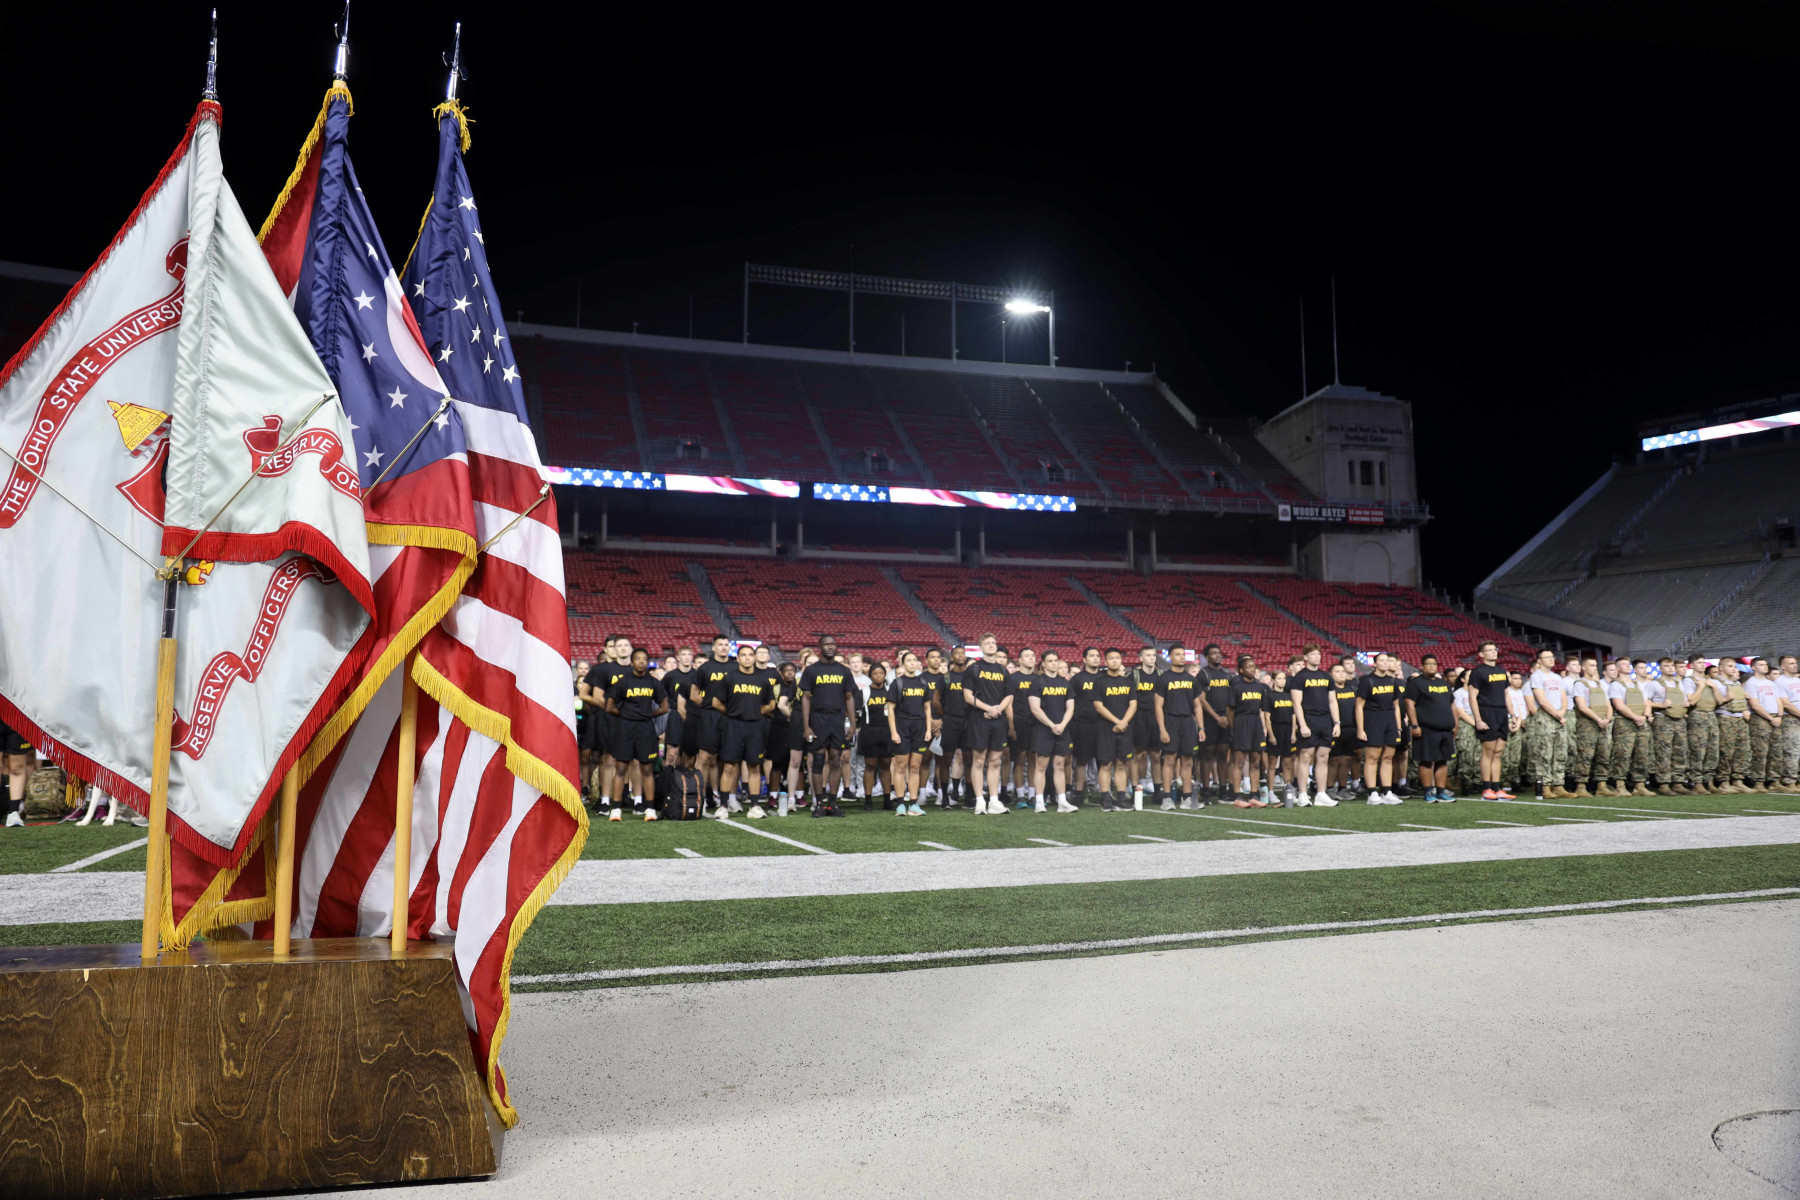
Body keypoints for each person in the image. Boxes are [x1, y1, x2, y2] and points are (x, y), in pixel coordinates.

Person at [715, 642, 778, 819]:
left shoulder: (763, 680)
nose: (748, 658)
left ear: (755, 657)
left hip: (755, 726)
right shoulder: (729, 678)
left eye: (751, 655)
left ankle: (755, 806)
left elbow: (771, 704)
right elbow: (716, 702)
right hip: (733, 726)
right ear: (738, 658)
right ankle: (723, 806)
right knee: (729, 766)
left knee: (754, 766)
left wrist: (757, 712)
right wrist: (733, 713)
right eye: (744, 655)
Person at [604, 647, 665, 821]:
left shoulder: (654, 683)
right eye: (637, 658)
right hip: (625, 728)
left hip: (646, 729)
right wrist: (625, 716)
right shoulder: (623, 682)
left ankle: (650, 809)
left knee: (647, 769)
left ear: (647, 662)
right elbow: (609, 706)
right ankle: (616, 809)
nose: (641, 661)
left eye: (644, 659)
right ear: (632, 662)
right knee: (621, 767)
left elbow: (665, 706)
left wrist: (647, 716)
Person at [800, 635, 856, 817]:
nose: (830, 647)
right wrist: (806, 725)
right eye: (827, 644)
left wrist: (853, 724)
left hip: (837, 719)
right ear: (820, 647)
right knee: (818, 760)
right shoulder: (811, 670)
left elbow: (849, 698)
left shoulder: (844, 671)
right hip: (818, 718)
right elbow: (806, 698)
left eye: (833, 644)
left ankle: (833, 803)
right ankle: (819, 803)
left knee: (835, 759)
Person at [964, 635, 1014, 814]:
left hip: (998, 720)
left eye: (993, 643)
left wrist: (998, 709)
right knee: (978, 760)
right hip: (979, 719)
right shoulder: (974, 669)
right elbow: (968, 697)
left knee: (995, 761)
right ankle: (979, 801)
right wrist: (989, 709)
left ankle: (993, 801)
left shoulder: (1003, 670)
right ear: (981, 647)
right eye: (987, 643)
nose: (991, 645)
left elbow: (1009, 695)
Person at [1028, 651, 1078, 813]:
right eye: (1050, 661)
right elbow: (1034, 708)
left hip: (1062, 729)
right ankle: (1040, 802)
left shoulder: (1065, 683)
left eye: (1056, 660)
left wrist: (1062, 724)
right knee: (1041, 766)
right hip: (1043, 729)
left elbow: (1070, 707)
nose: (1054, 663)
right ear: (1043, 664)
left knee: (1059, 765)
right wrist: (1051, 725)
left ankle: (1062, 801)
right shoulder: (1037, 682)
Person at [688, 636, 735, 809]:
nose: (723, 648)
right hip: (710, 716)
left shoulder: (735, 666)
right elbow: (694, 694)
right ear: (713, 648)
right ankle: (699, 796)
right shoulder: (705, 668)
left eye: (726, 645)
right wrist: (708, 706)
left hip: (731, 717)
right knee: (704, 757)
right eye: (720, 645)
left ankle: (729, 797)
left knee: (730, 758)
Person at [1153, 646, 1202, 809]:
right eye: (1177, 655)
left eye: (1183, 655)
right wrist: (1162, 729)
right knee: (1169, 759)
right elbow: (1158, 706)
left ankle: (1187, 798)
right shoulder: (1163, 679)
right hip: (1170, 720)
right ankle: (1167, 798)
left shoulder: (1192, 680)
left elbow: (1197, 706)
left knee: (1188, 760)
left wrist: (1201, 727)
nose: (1181, 657)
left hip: (1188, 722)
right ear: (1170, 658)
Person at [1404, 654, 1457, 802]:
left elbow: (1452, 704)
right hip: (1426, 728)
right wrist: (1414, 725)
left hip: (1445, 729)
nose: (1432, 666)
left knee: (1443, 761)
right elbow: (1409, 704)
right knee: (1426, 761)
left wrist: (1455, 724)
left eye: (1434, 664)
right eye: (1428, 664)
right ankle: (1428, 791)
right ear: (1422, 666)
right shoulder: (1416, 683)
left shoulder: (1444, 684)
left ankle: (1441, 791)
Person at [1289, 645, 1336, 807]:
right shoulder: (1300, 677)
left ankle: (1321, 794)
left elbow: (1332, 701)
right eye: (1313, 654)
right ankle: (1302, 794)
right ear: (1306, 658)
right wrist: (1302, 725)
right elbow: (1297, 703)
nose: (1317, 657)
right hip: (1309, 718)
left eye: (1318, 654)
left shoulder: (1326, 676)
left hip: (1325, 720)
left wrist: (1336, 722)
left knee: (1323, 757)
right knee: (1305, 756)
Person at [887, 651, 934, 816]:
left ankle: (913, 804)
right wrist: (893, 732)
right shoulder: (897, 683)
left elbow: (927, 708)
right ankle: (900, 804)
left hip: (919, 727)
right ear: (902, 664)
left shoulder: (923, 683)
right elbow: (890, 710)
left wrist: (928, 730)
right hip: (902, 727)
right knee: (900, 767)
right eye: (909, 660)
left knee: (915, 767)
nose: (912, 663)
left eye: (915, 660)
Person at [1464, 641, 1513, 800]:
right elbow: (1472, 697)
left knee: (1498, 752)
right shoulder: (1477, 672)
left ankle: (1497, 788)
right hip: (1487, 711)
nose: (1494, 652)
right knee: (1488, 750)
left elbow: (1506, 695)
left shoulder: (1502, 671)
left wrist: (1513, 715)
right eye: (1489, 650)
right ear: (1481, 654)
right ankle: (1486, 788)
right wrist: (1478, 719)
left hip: (1501, 712)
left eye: (1495, 649)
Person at [1092, 648, 1138, 811]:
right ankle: (1106, 798)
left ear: (1121, 661)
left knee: (1121, 764)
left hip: (1125, 728)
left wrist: (1124, 722)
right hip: (1106, 728)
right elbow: (1098, 706)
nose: (1114, 661)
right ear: (1106, 661)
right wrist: (1117, 721)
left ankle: (1121, 797)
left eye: (1117, 658)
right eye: (1111, 658)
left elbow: (1133, 704)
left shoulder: (1127, 682)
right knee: (1105, 764)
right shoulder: (1099, 682)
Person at [1224, 655, 1272, 807]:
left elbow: (1263, 710)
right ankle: (1237, 796)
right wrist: (1233, 729)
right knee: (1239, 761)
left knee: (1256, 761)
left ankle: (1253, 795)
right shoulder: (1236, 687)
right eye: (1248, 667)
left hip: (1255, 723)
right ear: (1241, 670)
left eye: (1253, 667)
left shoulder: (1260, 687)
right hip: (1241, 722)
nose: (1252, 669)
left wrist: (1263, 727)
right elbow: (1229, 711)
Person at [1355, 652, 1403, 804]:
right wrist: (1361, 729)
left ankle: (1387, 792)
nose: (1385, 663)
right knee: (1372, 757)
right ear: (1374, 664)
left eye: (1387, 661)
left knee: (1388, 757)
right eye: (1381, 661)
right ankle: (1372, 793)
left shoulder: (1392, 681)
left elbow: (1396, 706)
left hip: (1390, 721)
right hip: (1373, 720)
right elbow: (1359, 707)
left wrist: (1398, 728)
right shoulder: (1367, 681)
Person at [1605, 656, 1652, 797]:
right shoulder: (1616, 685)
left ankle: (1639, 784)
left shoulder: (1638, 685)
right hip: (1625, 723)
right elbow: (1618, 705)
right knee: (1623, 754)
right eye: (1623, 665)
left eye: (1628, 664)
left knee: (1642, 754)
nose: (1627, 666)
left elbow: (1647, 702)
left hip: (1641, 722)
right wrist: (1635, 717)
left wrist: (1644, 716)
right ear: (1618, 668)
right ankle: (1620, 784)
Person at [1569, 657, 1613, 797]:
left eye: (1595, 665)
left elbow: (1608, 704)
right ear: (1584, 667)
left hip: (1602, 723)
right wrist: (1598, 719)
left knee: (1603, 754)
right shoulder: (1580, 684)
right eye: (1591, 665)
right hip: (1587, 723)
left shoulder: (1599, 684)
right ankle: (1581, 786)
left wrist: (1607, 718)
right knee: (1585, 755)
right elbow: (1582, 706)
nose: (1595, 668)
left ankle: (1601, 785)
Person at [1648, 656, 1691, 796]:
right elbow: (1647, 702)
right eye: (1666, 666)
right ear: (1660, 669)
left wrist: (1686, 704)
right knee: (1663, 752)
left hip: (1679, 720)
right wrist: (1660, 705)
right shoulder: (1655, 684)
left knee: (1680, 751)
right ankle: (1664, 783)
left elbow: (1684, 699)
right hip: (1663, 720)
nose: (1671, 668)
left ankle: (1678, 782)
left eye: (1672, 665)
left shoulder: (1679, 683)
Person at [856, 661, 895, 808]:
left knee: (886, 765)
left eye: (881, 673)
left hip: (887, 731)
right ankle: (868, 799)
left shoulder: (890, 690)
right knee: (870, 766)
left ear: (885, 675)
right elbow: (856, 712)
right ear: (870, 675)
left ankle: (887, 799)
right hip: (870, 731)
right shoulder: (864, 692)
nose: (878, 676)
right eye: (875, 673)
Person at [1198, 643, 1234, 805]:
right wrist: (1216, 717)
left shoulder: (1227, 675)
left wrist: (1226, 718)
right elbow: (1201, 700)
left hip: (1225, 719)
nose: (1218, 655)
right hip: (1210, 719)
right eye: (1214, 653)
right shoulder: (1203, 674)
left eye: (1219, 653)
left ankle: (1223, 790)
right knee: (1207, 755)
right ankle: (1205, 791)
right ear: (1207, 657)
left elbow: (1230, 700)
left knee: (1222, 754)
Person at [937, 645, 972, 808]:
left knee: (969, 760)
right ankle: (945, 797)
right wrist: (946, 715)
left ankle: (969, 797)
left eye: (963, 653)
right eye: (957, 653)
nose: (961, 655)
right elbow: (935, 701)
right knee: (946, 760)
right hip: (951, 721)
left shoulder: (971, 676)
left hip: (968, 722)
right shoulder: (945, 677)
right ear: (952, 657)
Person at [1070, 647, 1106, 806]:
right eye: (1091, 656)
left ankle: (1104, 792)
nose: (1095, 658)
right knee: (1081, 760)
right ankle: (1078, 793)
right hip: (1082, 724)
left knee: (1103, 759)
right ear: (1084, 660)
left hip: (1102, 723)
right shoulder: (1077, 679)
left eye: (1097, 656)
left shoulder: (1105, 678)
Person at [1743, 657, 1783, 794]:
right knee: (1760, 751)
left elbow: (1778, 701)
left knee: (1776, 751)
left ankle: (1774, 780)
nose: (1765, 667)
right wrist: (1770, 718)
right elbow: (1755, 704)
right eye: (1761, 665)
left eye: (1766, 665)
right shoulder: (1751, 683)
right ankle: (1759, 781)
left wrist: (1779, 716)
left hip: (1774, 717)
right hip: (1760, 718)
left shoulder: (1771, 683)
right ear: (1753, 667)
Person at [1010, 647, 1042, 809]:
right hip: (1019, 721)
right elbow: (1009, 703)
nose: (1031, 658)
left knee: (1033, 758)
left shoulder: (1040, 679)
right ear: (1019, 660)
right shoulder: (1013, 678)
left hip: (1036, 723)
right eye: (1027, 656)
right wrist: (1011, 726)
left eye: (1033, 655)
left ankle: (1032, 795)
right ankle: (1020, 794)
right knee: (1020, 758)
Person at [769, 660, 802, 814]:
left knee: (796, 763)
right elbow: (772, 707)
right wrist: (791, 717)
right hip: (779, 727)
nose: (790, 673)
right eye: (786, 670)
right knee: (777, 762)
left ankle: (797, 795)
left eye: (792, 670)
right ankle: (773, 796)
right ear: (780, 673)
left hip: (795, 728)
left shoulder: (799, 687)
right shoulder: (775, 688)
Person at [1687, 658, 1723, 794]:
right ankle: (1696, 782)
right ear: (1692, 665)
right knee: (1698, 750)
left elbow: (1720, 701)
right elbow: (1691, 701)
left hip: (1711, 715)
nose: (1702, 665)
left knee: (1712, 750)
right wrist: (1701, 687)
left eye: (1703, 663)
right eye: (1699, 663)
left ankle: (1709, 781)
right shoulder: (1689, 681)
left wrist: (1713, 687)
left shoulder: (1711, 681)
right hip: (1698, 715)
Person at [1716, 660, 1753, 793]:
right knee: (1726, 751)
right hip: (1726, 718)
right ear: (1721, 668)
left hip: (1739, 718)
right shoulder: (1717, 682)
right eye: (1730, 666)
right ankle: (1724, 781)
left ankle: (1738, 780)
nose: (1733, 669)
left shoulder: (1736, 683)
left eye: (1734, 667)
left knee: (1742, 750)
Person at [1132, 646, 1162, 808]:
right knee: (1140, 754)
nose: (1152, 658)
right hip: (1139, 718)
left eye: (1153, 655)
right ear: (1141, 658)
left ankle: (1158, 789)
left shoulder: (1161, 676)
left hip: (1156, 718)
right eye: (1148, 655)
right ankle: (1140, 787)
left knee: (1156, 755)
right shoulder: (1135, 676)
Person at [1268, 664, 1299, 804]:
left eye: (1283, 679)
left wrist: (1293, 732)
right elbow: (1267, 717)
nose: (1282, 681)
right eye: (1279, 679)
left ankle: (1289, 788)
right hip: (1276, 728)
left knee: (1288, 762)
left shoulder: (1288, 696)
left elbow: (1293, 716)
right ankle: (1270, 791)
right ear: (1273, 680)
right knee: (1272, 763)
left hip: (1288, 730)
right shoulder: (1269, 696)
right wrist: (1271, 734)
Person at [662, 647, 696, 769]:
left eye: (689, 654)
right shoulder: (670, 676)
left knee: (690, 756)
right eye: (684, 654)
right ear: (678, 658)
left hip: (693, 717)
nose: (687, 657)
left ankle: (686, 784)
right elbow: (661, 696)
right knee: (672, 754)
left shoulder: (697, 676)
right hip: (675, 716)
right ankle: (669, 783)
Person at [1329, 663, 1360, 800]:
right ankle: (1330, 788)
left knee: (1346, 760)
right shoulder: (1330, 691)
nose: (1342, 673)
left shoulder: (1352, 688)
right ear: (1331, 674)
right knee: (1334, 760)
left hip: (1351, 728)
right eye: (1337, 671)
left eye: (1343, 671)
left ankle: (1342, 788)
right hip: (1335, 729)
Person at [1778, 655, 1800, 790]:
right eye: (1791, 663)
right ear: (1783, 666)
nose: (1795, 665)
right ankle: (1790, 780)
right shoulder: (1780, 681)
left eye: (1795, 663)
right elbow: (1785, 703)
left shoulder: (1798, 680)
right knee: (1792, 750)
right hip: (1791, 719)